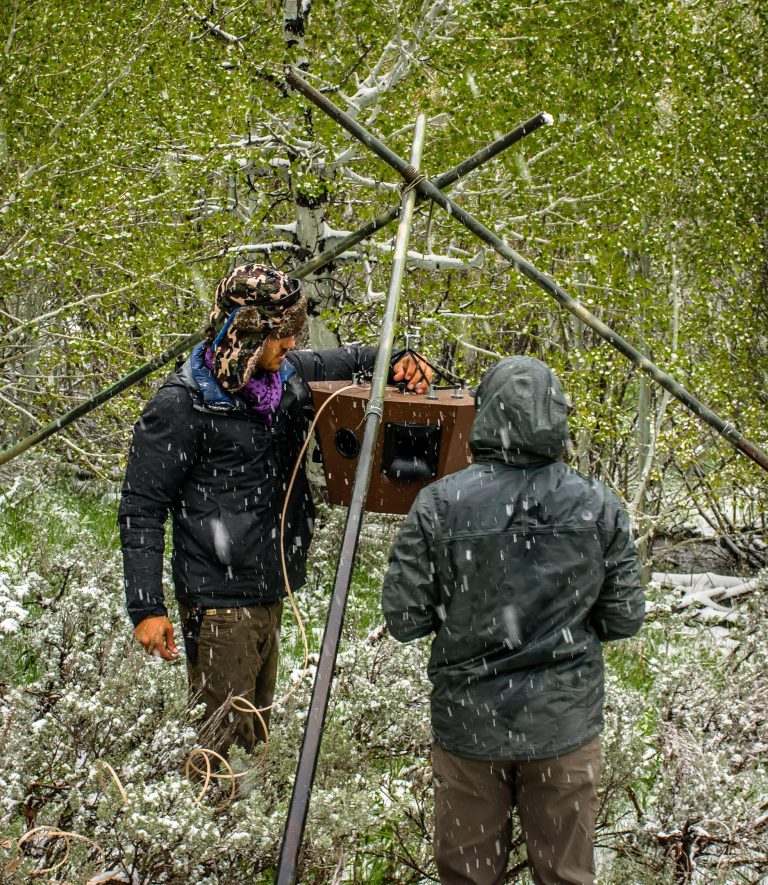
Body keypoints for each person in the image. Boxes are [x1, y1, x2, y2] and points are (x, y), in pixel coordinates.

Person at [119, 263, 430, 756]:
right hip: (217, 601)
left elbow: (356, 360)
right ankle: (209, 827)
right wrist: (146, 607)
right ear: (243, 334)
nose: (290, 346)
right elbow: (141, 506)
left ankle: (242, 826)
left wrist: (401, 360)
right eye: (280, 335)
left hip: (267, 589)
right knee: (220, 747)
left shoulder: (286, 378)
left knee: (254, 738)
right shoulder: (184, 405)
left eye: (294, 334)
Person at [381, 355, 645, 885]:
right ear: (557, 416)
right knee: (567, 876)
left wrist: (465, 618)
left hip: (469, 728)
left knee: (468, 878)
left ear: (485, 412)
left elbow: (405, 619)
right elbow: (624, 618)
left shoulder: (439, 505)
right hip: (562, 728)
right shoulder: (598, 506)